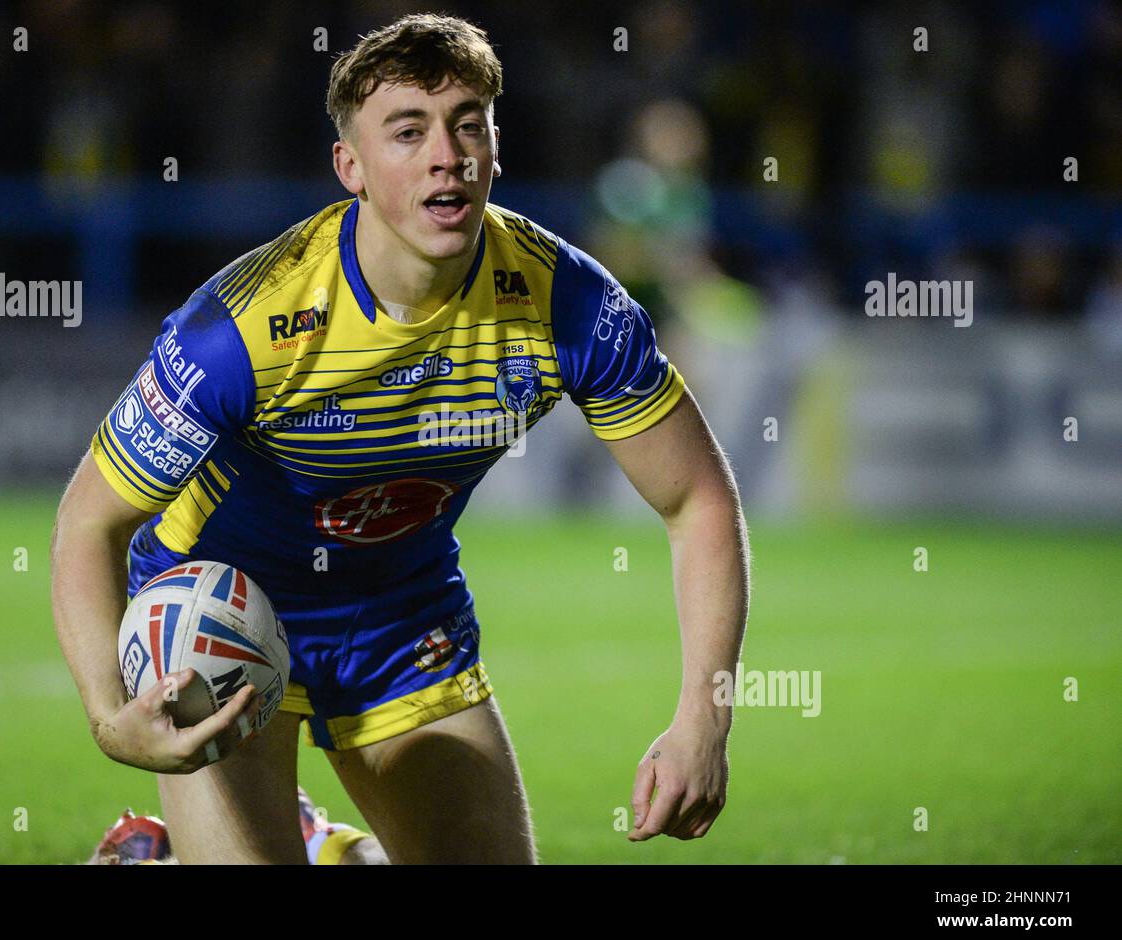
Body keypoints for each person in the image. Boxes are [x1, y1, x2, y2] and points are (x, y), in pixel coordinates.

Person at [52, 12, 749, 865]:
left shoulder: (568, 303)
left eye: (467, 125)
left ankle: (331, 850)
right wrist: (106, 715)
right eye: (407, 132)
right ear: (350, 165)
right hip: (220, 615)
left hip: (399, 617)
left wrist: (703, 719)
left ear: (496, 148)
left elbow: (697, 498)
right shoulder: (241, 328)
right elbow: (90, 522)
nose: (444, 154)